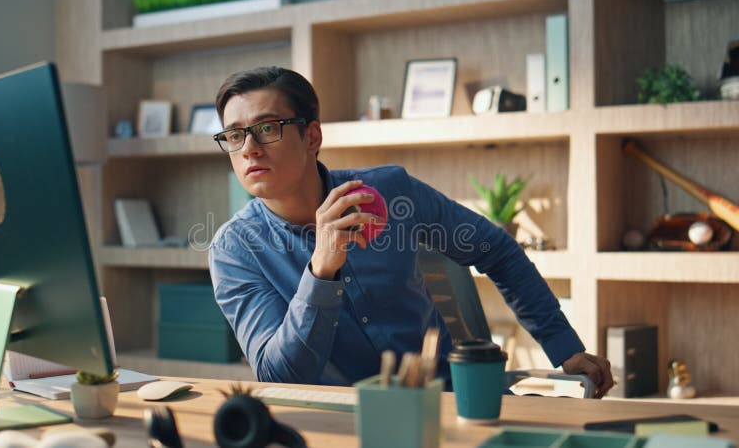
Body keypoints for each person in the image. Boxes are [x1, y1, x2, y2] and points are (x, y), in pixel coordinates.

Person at [207, 66, 614, 397]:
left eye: (266, 128)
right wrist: (321, 271)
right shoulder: (234, 249)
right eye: (234, 135)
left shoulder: (389, 192)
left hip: (450, 400)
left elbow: (497, 250)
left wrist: (565, 348)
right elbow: (281, 380)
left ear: (312, 135)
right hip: (345, 425)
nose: (249, 149)